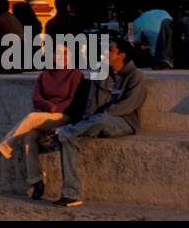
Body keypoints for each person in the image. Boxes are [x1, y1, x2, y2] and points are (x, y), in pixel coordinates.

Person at [50, 39, 147, 207]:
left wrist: (98, 116)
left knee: (94, 121)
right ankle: (71, 194)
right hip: (95, 122)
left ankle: (66, 131)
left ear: (121, 55)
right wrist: (88, 119)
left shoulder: (135, 76)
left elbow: (128, 105)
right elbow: (91, 102)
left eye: (110, 50)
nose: (104, 53)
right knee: (68, 140)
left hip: (122, 122)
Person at [0, 44, 86, 200]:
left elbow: (74, 101)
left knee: (31, 118)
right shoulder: (44, 75)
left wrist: (56, 107)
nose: (60, 57)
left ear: (69, 56)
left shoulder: (75, 74)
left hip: (65, 117)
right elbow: (37, 99)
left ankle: (3, 147)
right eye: (57, 53)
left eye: (64, 53)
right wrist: (48, 106)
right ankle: (36, 181)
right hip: (45, 116)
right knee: (28, 138)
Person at [130, 4, 173, 69]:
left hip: (155, 58)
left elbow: (129, 44)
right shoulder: (164, 12)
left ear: (139, 11)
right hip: (173, 54)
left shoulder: (133, 24)